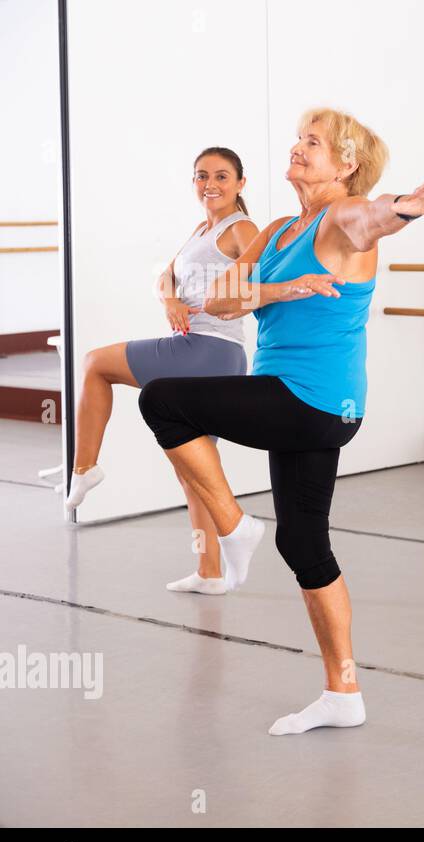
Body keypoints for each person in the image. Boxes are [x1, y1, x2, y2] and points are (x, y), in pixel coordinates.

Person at [138, 108, 424, 734]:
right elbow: (220, 300)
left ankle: (234, 528)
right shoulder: (278, 228)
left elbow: (371, 219)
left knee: (161, 399)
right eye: (298, 139)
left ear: (347, 166)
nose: (297, 148)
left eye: (312, 143)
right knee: (302, 542)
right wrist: (280, 291)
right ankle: (343, 692)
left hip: (311, 400)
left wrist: (409, 206)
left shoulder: (344, 217)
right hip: (301, 403)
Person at [64, 147, 259, 594]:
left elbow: (261, 281)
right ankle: (210, 571)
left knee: (96, 363)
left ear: (240, 184)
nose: (210, 184)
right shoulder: (200, 230)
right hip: (207, 354)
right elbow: (164, 275)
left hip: (207, 350)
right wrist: (169, 298)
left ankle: (85, 467)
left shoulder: (241, 229)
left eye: (222, 176)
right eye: (201, 175)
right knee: (193, 474)